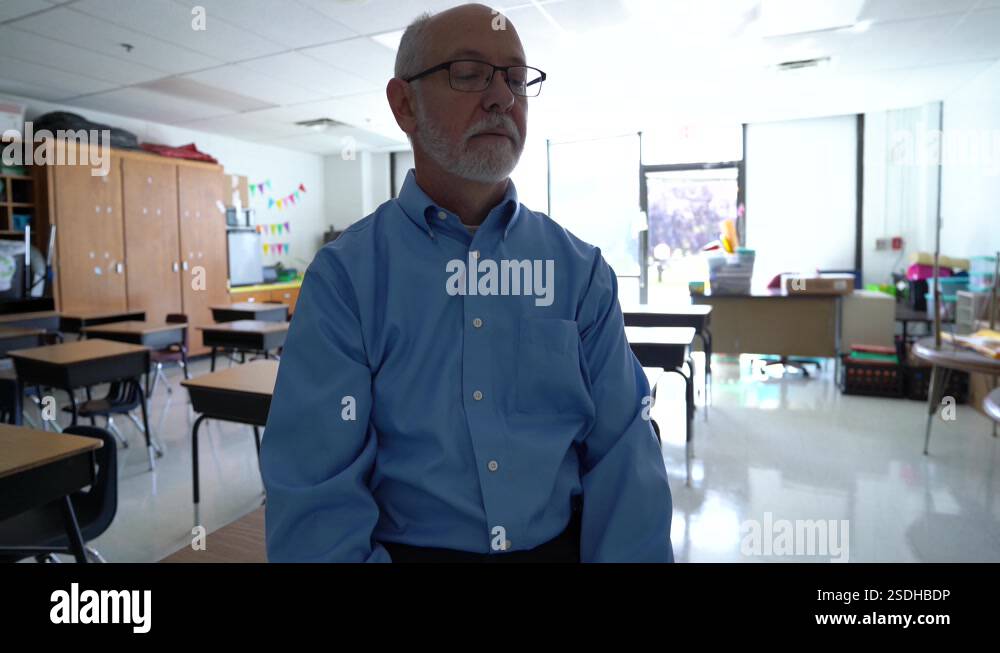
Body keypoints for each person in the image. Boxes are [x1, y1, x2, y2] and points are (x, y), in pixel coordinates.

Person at [261, 2, 673, 562]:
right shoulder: (346, 280)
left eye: (515, 77)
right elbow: (316, 500)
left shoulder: (579, 273)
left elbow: (626, 462)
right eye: (469, 72)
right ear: (404, 104)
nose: (502, 96)